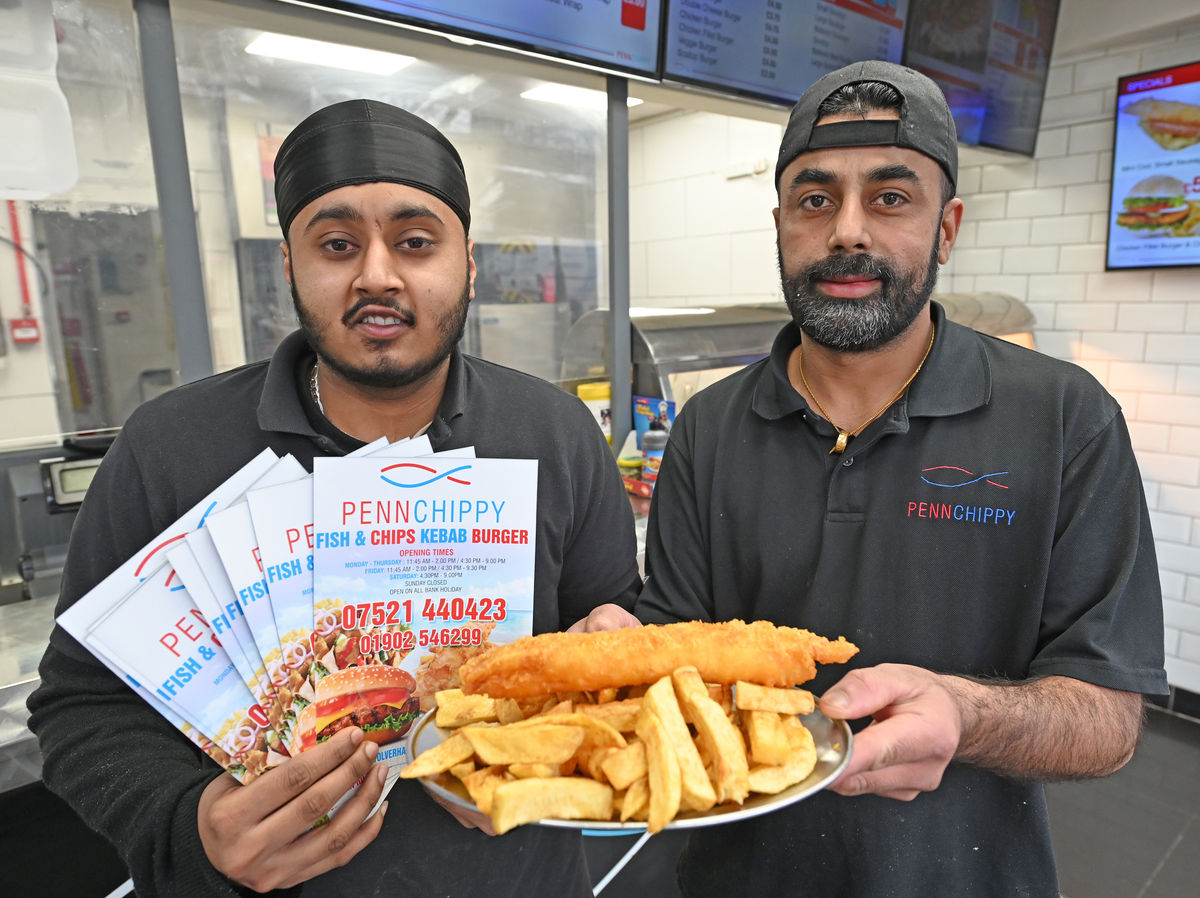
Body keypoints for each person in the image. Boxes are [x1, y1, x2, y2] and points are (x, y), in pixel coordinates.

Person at [28, 98, 640, 897]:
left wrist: (610, 662)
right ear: (289, 264)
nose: (377, 275)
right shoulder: (169, 449)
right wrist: (188, 825)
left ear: (469, 263)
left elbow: (613, 626)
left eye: (415, 242)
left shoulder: (554, 433)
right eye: (337, 244)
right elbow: (81, 703)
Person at [634, 60, 1167, 896]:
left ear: (946, 229)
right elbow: (671, 648)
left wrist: (966, 713)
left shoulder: (1067, 418)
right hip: (737, 876)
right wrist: (615, 653)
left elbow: (1108, 719)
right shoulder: (708, 425)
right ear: (780, 225)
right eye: (815, 200)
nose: (847, 231)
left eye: (890, 198)